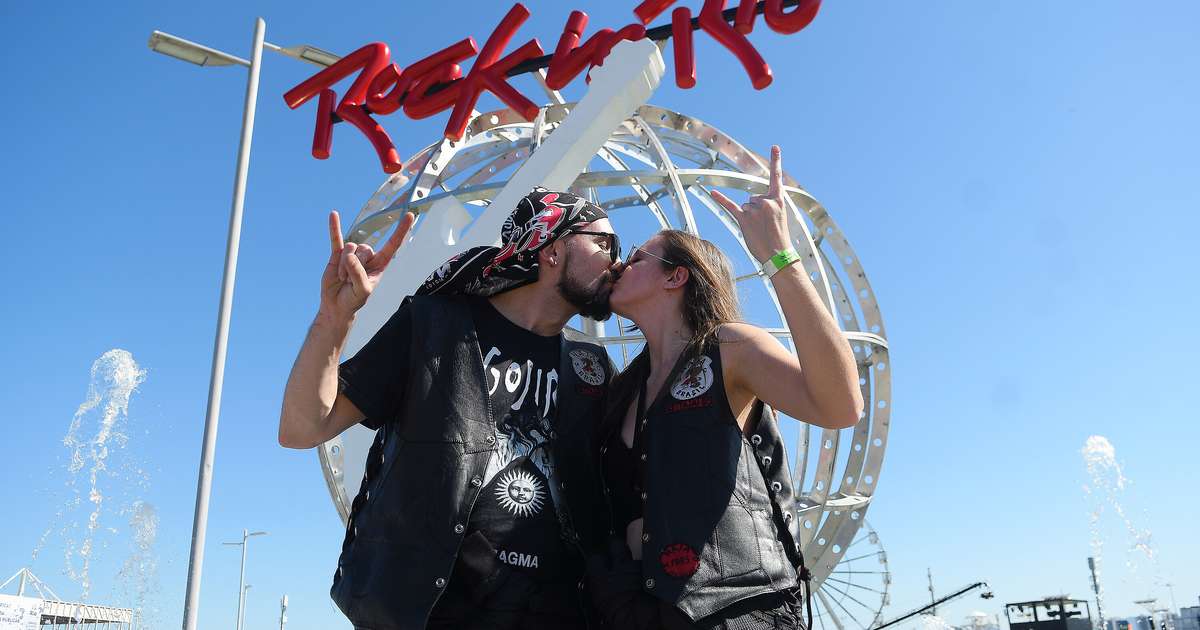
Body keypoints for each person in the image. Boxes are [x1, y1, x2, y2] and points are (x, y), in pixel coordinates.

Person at [278, 188, 623, 630]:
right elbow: (302, 429)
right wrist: (334, 319)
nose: (616, 262)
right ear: (553, 249)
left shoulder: (592, 368)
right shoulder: (433, 326)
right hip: (433, 612)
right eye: (604, 244)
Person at [587, 146, 865, 629]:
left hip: (735, 612)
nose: (619, 266)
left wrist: (778, 255)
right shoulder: (620, 389)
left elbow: (839, 405)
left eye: (635, 256)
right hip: (637, 613)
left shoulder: (729, 349)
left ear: (676, 276)